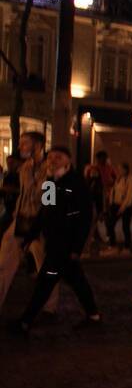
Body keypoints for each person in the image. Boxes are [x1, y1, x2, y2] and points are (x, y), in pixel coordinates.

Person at [10, 146, 102, 335]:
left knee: (45, 282)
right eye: (50, 157)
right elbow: (44, 212)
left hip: (65, 245)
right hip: (53, 243)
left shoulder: (77, 183)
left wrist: (77, 248)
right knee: (76, 281)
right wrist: (31, 235)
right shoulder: (50, 182)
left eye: (58, 157)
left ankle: (25, 321)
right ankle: (94, 315)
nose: (52, 161)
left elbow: (85, 218)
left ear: (68, 161)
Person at [0, 131, 53, 313]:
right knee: (4, 262)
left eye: (25, 143)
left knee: (44, 265)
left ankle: (49, 307)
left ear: (38, 146)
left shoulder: (50, 169)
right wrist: (16, 214)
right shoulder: (24, 168)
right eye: (21, 143)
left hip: (39, 223)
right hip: (20, 220)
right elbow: (22, 194)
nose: (20, 147)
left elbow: (49, 200)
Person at [106, 161, 132, 252]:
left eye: (121, 169)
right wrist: (111, 202)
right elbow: (114, 191)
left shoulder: (130, 180)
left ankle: (127, 247)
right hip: (115, 204)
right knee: (110, 224)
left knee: (125, 226)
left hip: (126, 206)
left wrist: (122, 208)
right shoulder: (119, 178)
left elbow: (129, 196)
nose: (119, 171)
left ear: (126, 169)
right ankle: (113, 245)